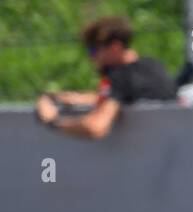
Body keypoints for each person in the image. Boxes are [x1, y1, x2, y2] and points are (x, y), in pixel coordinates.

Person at [35, 15, 176, 139]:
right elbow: (104, 97)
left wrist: (53, 121)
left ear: (115, 47)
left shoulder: (120, 78)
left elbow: (96, 128)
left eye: (94, 50)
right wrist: (58, 97)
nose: (92, 58)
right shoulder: (153, 66)